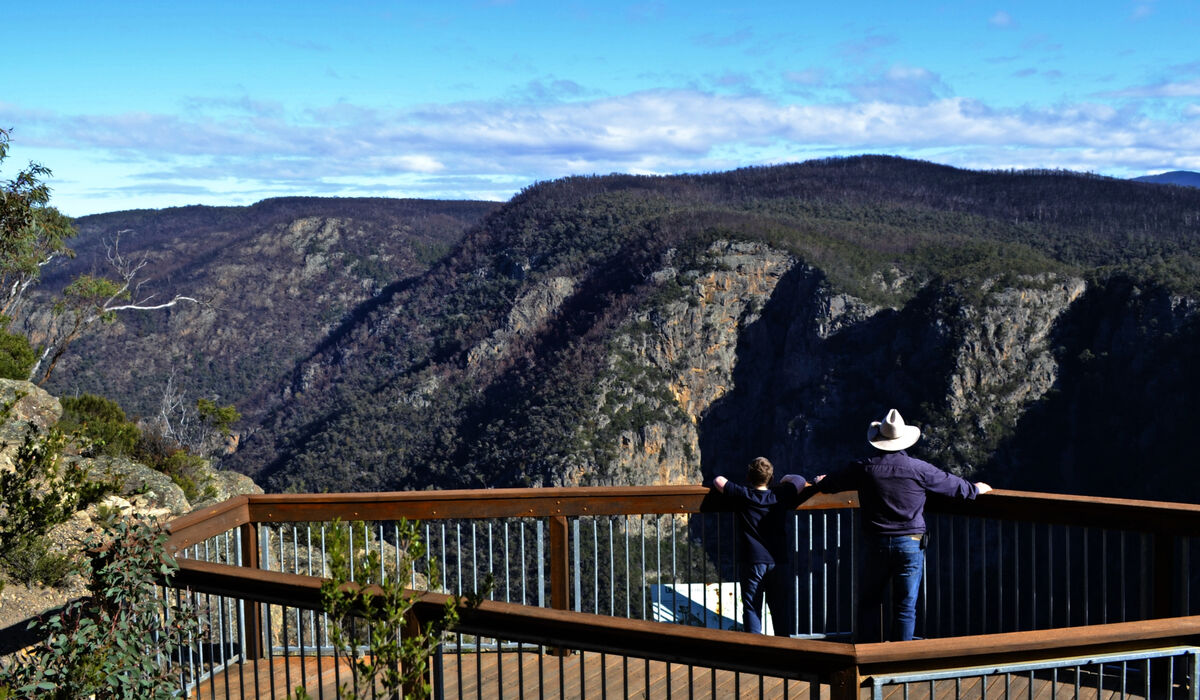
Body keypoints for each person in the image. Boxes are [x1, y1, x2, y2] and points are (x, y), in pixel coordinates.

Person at [814, 409, 992, 642]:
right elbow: (954, 486)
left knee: (869, 603)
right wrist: (976, 488)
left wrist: (820, 481)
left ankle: (868, 655)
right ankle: (899, 658)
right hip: (911, 543)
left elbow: (829, 483)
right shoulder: (920, 469)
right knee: (905, 607)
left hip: (876, 542)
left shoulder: (864, 468)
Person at [712, 457, 808, 635]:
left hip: (752, 560)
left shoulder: (743, 495)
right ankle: (784, 647)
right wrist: (785, 478)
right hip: (778, 560)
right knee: (780, 609)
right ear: (771, 478)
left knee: (752, 608)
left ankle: (755, 648)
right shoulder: (780, 495)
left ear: (748, 477)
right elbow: (800, 480)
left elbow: (718, 480)